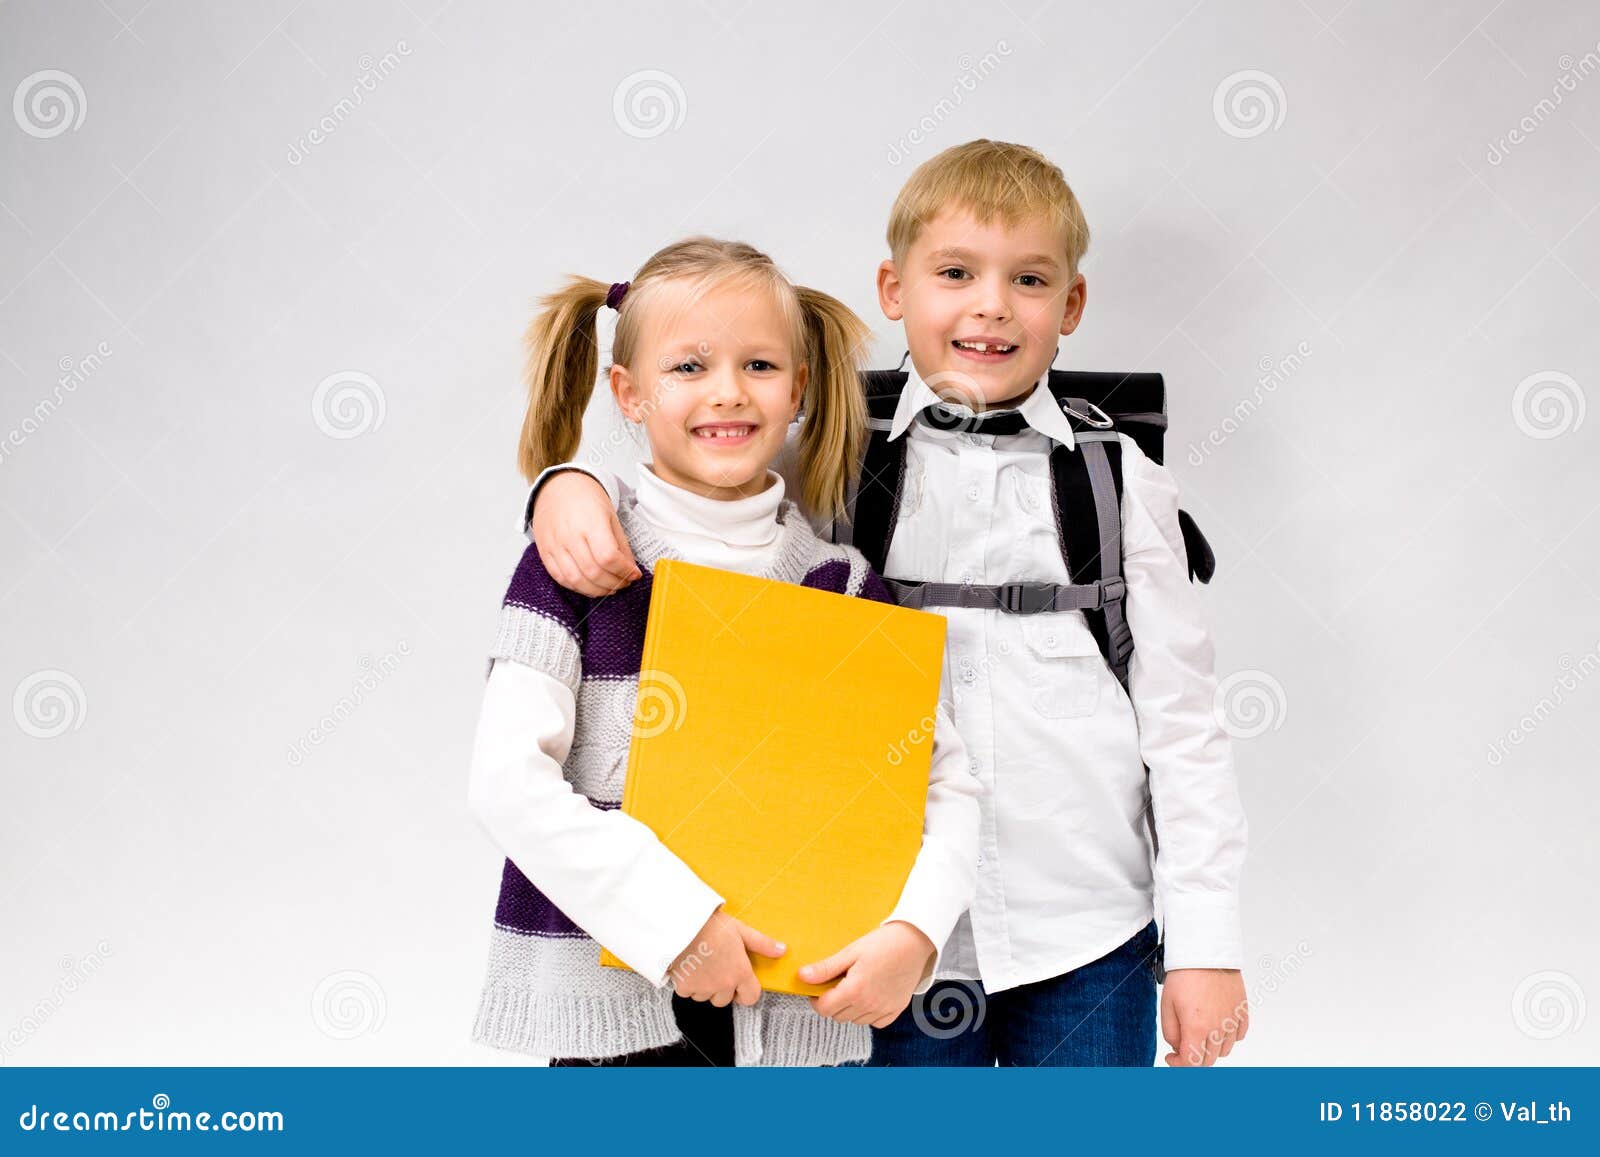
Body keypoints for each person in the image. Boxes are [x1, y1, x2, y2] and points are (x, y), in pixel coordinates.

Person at [524, 141, 1250, 1067]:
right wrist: (569, 482)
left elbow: (1185, 731)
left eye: (1028, 279)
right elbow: (700, 476)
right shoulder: (833, 459)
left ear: (1070, 304)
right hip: (881, 931)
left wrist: (1206, 948)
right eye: (955, 272)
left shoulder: (1118, 483)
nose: (990, 303)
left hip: (1087, 926)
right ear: (893, 288)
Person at [468, 236, 980, 1067]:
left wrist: (915, 932)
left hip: (797, 1020)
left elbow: (946, 785)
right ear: (628, 394)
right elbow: (506, 780)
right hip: (617, 1023)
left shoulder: (842, 585)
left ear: (800, 387)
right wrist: (676, 927)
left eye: (760, 366)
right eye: (689, 367)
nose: (728, 393)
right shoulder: (579, 560)